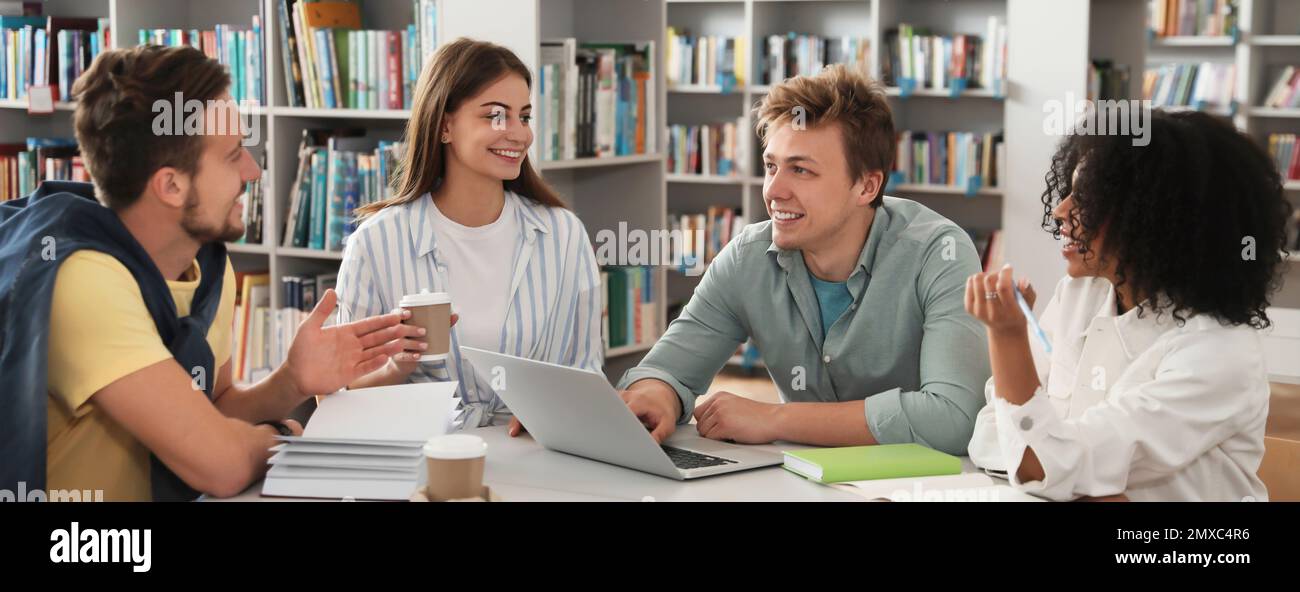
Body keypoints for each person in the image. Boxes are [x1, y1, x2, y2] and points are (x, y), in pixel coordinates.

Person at [0, 45, 420, 501]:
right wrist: (281, 435)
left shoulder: (203, 263)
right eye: (233, 153)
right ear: (172, 185)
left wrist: (291, 381)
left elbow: (212, 409)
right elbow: (219, 465)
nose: (254, 171)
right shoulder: (81, 280)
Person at [611, 64, 990, 453]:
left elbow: (955, 418)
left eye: (801, 170)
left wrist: (775, 418)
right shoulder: (748, 258)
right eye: (771, 166)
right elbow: (665, 369)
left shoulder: (939, 253)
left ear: (867, 185)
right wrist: (658, 395)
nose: (774, 190)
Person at [965, 109, 1292, 501]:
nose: (1060, 211)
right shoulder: (1080, 295)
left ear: (1152, 218)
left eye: (1086, 198)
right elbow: (989, 433)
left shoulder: (1219, 351)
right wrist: (1071, 479)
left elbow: (1037, 464)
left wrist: (1007, 335)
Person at [338, 38, 603, 430]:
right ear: (445, 125)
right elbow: (339, 393)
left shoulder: (563, 235)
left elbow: (586, 375)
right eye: (496, 116)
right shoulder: (376, 243)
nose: (519, 134)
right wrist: (399, 365)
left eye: (524, 117)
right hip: (424, 463)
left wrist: (556, 415)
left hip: (537, 463)